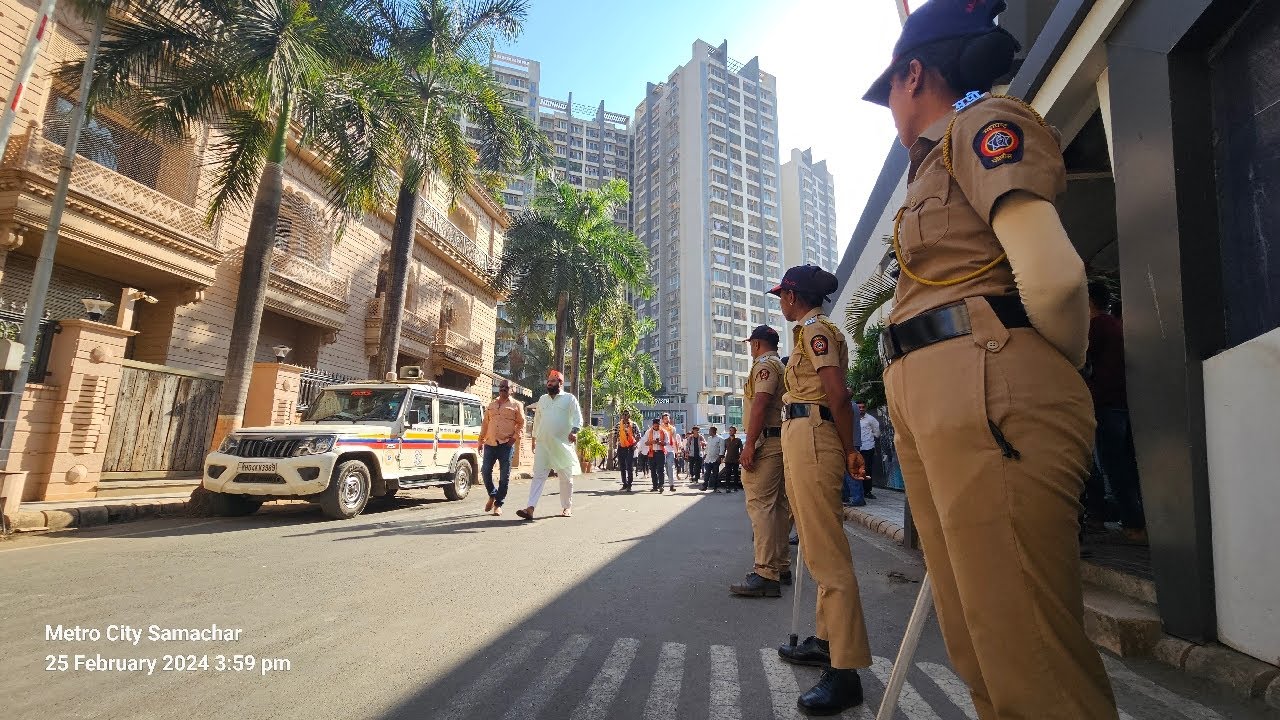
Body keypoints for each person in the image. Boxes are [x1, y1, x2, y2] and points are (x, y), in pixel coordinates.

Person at [864, 1, 1118, 716]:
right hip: (945, 393)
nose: (889, 104)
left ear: (915, 74)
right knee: (979, 642)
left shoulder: (982, 125)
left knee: (1028, 654)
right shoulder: (929, 165)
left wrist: (1031, 374)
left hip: (987, 381)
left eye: (891, 88)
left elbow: (1057, 276)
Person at [768, 264, 872, 715]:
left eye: (782, 295)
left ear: (794, 296)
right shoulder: (804, 334)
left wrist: (851, 448)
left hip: (815, 435)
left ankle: (845, 670)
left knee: (828, 557)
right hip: (801, 434)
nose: (779, 302)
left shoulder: (817, 331)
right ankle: (828, 643)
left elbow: (837, 394)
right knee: (814, 548)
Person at [731, 325, 793, 598]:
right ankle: (780, 566)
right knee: (778, 507)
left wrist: (749, 443)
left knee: (761, 507)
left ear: (756, 344)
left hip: (765, 442)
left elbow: (760, 403)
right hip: (778, 440)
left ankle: (765, 572)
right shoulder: (780, 365)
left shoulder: (763, 366)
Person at [1086, 280, 1146, 544]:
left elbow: (1079, 357)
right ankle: (1135, 522)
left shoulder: (1097, 326)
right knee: (1125, 465)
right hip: (1122, 403)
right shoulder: (1115, 326)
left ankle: (1132, 524)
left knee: (1112, 466)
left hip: (1105, 404)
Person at [517, 370, 582, 521]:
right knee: (538, 476)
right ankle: (530, 508)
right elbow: (537, 421)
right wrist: (534, 438)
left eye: (553, 380)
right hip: (543, 444)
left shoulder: (569, 399)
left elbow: (578, 418)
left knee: (565, 477)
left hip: (562, 445)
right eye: (548, 380)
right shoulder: (542, 399)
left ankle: (567, 507)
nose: (549, 383)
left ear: (560, 383)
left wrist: (574, 432)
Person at [477, 379, 525, 516]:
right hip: (490, 444)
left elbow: (521, 424)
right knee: (485, 471)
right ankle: (492, 494)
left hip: (506, 445)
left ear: (512, 390)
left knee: (504, 477)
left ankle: (498, 504)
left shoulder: (517, 405)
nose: (503, 389)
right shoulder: (491, 404)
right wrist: (480, 441)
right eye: (501, 386)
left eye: (506, 387)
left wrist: (514, 438)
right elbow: (485, 424)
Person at [639, 417, 673, 492]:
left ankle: (661, 485)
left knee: (660, 470)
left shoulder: (664, 432)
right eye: (655, 426)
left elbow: (667, 443)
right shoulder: (648, 432)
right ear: (653, 425)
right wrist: (652, 442)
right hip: (652, 453)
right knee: (653, 470)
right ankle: (655, 486)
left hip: (661, 452)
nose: (656, 427)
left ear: (659, 425)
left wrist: (660, 442)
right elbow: (645, 442)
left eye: (657, 426)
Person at [857, 401, 881, 500]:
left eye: (863, 407)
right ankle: (859, 491)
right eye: (859, 407)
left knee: (866, 469)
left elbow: (877, 433)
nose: (861, 409)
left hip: (867, 447)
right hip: (856, 448)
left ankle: (867, 491)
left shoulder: (871, 419)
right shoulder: (852, 419)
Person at [616, 410, 641, 493]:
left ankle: (629, 484)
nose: (626, 416)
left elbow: (638, 435)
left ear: (629, 416)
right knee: (622, 466)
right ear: (622, 416)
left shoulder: (633, 425)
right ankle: (624, 483)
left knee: (629, 466)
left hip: (630, 447)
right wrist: (614, 445)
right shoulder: (618, 425)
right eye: (624, 415)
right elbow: (615, 435)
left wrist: (635, 444)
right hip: (621, 447)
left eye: (627, 415)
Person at [703, 425, 725, 492]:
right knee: (707, 473)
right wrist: (705, 455)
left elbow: (722, 449)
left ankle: (715, 487)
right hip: (708, 459)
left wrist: (720, 457)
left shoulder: (720, 439)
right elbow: (707, 448)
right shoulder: (709, 438)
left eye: (710, 431)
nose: (709, 432)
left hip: (716, 459)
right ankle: (705, 486)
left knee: (715, 474)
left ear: (714, 431)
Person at [660, 413, 679, 491]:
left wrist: (676, 451)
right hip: (662, 450)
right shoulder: (660, 428)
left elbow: (675, 440)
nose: (666, 420)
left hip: (670, 450)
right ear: (662, 420)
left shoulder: (672, 429)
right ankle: (662, 485)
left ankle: (672, 485)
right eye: (665, 419)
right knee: (663, 469)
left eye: (668, 418)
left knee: (670, 467)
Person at [721, 427, 743, 492]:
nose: (731, 432)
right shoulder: (726, 440)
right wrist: (722, 458)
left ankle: (735, 487)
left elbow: (741, 449)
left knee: (736, 473)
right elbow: (724, 450)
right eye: (730, 430)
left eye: (732, 431)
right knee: (728, 473)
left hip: (736, 459)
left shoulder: (738, 440)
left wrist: (740, 457)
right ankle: (727, 487)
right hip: (728, 459)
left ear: (735, 432)